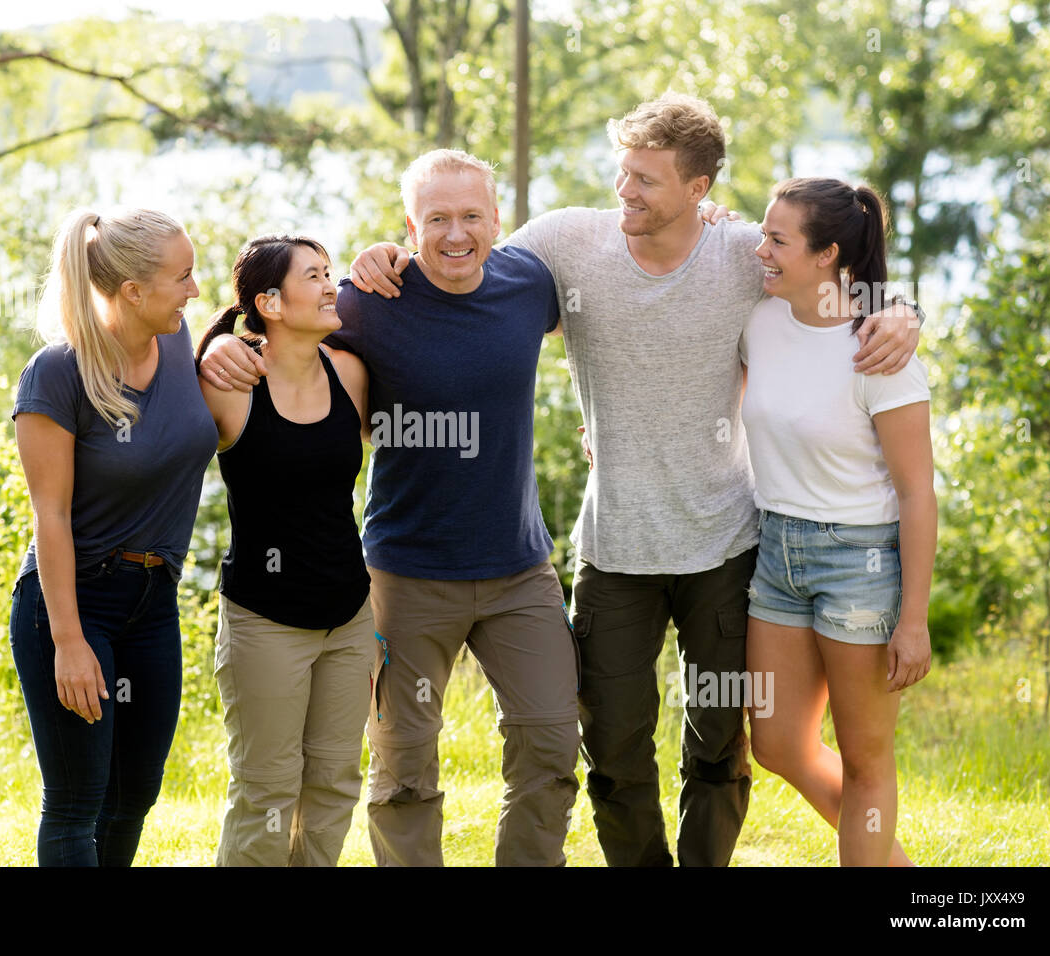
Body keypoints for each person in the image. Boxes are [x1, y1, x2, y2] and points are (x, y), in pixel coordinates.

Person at [348, 93, 925, 866]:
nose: (625, 191)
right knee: (613, 753)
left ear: (699, 190)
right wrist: (382, 251)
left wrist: (900, 310)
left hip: (727, 548)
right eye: (622, 173)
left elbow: (835, 284)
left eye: (646, 180)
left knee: (719, 749)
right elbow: (462, 263)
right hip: (614, 549)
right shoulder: (565, 243)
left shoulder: (747, 255)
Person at [201, 150, 581, 867]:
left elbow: (620, 303)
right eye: (437, 219)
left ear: (499, 221)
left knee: (552, 742)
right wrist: (221, 345)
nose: (457, 233)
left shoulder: (530, 283)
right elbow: (279, 331)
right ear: (410, 226)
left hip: (520, 568)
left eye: (473, 216)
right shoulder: (368, 302)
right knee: (403, 769)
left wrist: (708, 219)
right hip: (406, 575)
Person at [9, 207, 218, 866]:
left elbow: (280, 294)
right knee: (76, 800)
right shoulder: (58, 374)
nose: (194, 289)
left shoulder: (184, 342)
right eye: (182, 276)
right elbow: (50, 515)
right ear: (133, 290)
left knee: (136, 793)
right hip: (72, 604)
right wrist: (69, 642)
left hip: (153, 602)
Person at [741, 179, 933, 866]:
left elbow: (917, 493)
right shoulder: (761, 318)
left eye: (776, 241)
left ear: (826, 256)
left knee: (866, 760)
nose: (758, 250)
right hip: (777, 551)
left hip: (861, 562)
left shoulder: (879, 350)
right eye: (762, 234)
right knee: (776, 743)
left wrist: (914, 618)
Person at [194, 235, 376, 867]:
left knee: (333, 784)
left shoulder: (349, 372)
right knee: (267, 790)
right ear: (269, 302)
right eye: (315, 277)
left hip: (350, 617)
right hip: (264, 621)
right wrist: (215, 345)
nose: (333, 286)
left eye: (331, 273)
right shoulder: (229, 382)